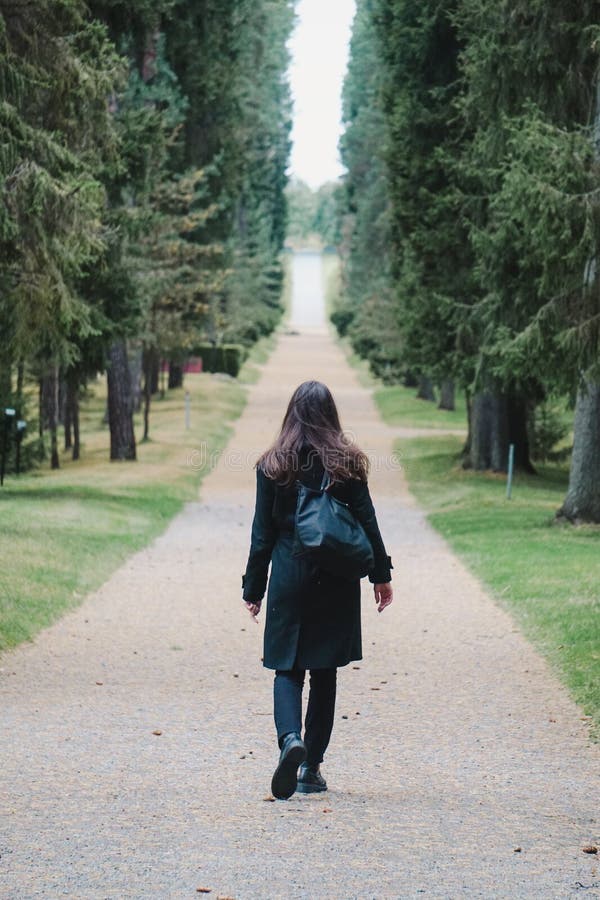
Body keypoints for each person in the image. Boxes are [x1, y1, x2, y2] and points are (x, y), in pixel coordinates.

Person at [241, 380, 393, 800]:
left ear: (291, 413)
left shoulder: (273, 464)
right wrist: (381, 574)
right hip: (337, 579)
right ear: (331, 415)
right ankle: (311, 768)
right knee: (325, 674)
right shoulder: (346, 461)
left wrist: (253, 588)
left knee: (287, 669)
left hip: (289, 576)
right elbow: (367, 519)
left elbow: (261, 535)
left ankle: (291, 738)